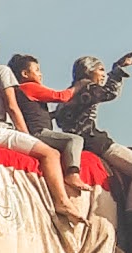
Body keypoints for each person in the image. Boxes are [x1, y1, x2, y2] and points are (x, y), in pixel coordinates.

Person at [0, 36, 77, 222]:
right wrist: (25, 134)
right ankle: (62, 201)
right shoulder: (2, 71)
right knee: (51, 154)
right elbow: (12, 107)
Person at [55, 52, 132, 215]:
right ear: (88, 71)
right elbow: (110, 92)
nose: (103, 75)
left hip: (73, 145)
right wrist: (117, 70)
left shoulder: (67, 95)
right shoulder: (88, 87)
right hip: (94, 142)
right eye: (100, 70)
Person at [7, 54, 87, 192]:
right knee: (75, 140)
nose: (40, 74)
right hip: (38, 133)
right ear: (25, 74)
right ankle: (72, 173)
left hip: (33, 132)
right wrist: (78, 86)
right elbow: (61, 96)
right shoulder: (29, 87)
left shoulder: (18, 91)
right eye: (37, 70)